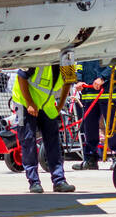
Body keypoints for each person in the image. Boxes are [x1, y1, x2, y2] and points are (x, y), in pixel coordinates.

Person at [10, 63, 74, 194]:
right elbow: (21, 77)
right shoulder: (40, 60)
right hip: (23, 103)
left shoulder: (67, 62)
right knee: (28, 142)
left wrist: (60, 105)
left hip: (47, 104)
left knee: (53, 143)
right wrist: (30, 103)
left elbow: (68, 83)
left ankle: (59, 180)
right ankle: (34, 182)